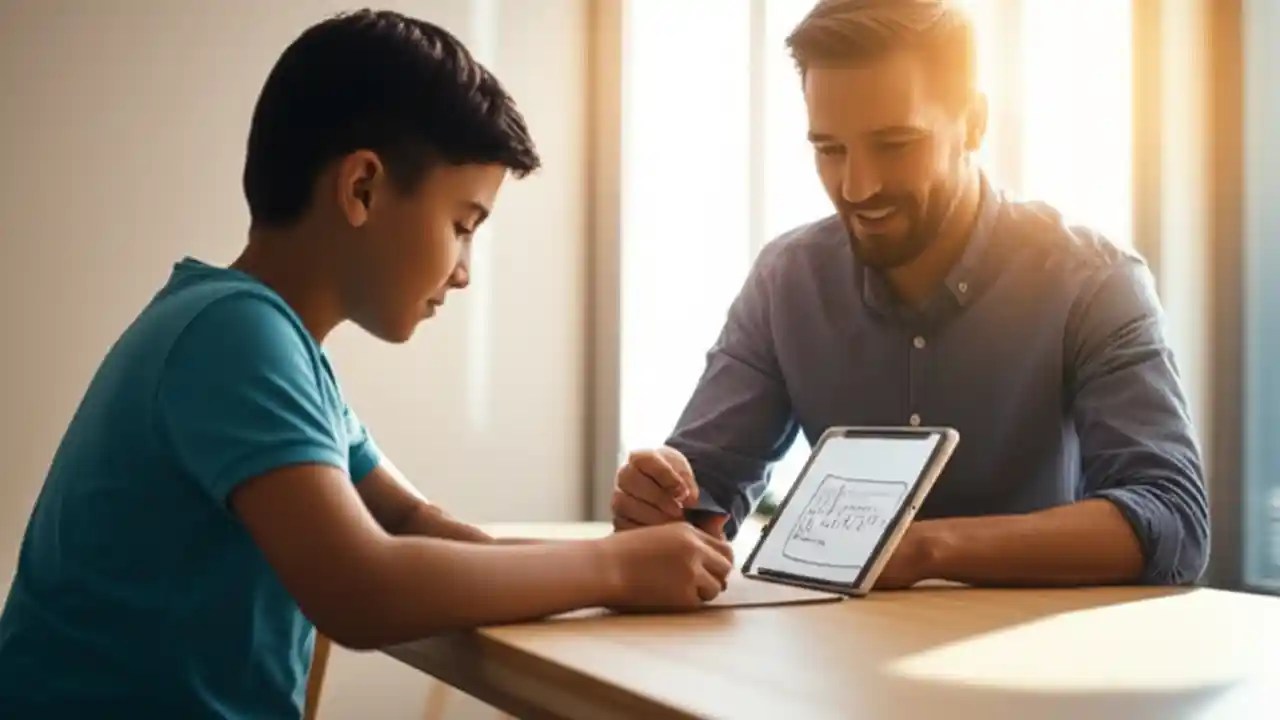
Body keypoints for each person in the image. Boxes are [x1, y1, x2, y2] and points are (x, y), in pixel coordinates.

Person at [0, 10, 733, 717]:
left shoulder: (271, 343)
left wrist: (627, 563)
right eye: (463, 225)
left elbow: (415, 522)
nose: (464, 271)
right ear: (362, 189)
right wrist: (610, 569)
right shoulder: (232, 335)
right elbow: (360, 589)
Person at [611, 0, 1209, 589]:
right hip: (835, 665)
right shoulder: (786, 281)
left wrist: (925, 548)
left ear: (974, 123)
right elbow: (699, 498)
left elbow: (1174, 521)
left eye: (895, 145)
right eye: (829, 149)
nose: (857, 186)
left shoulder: (1092, 282)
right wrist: (661, 503)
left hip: (1031, 663)